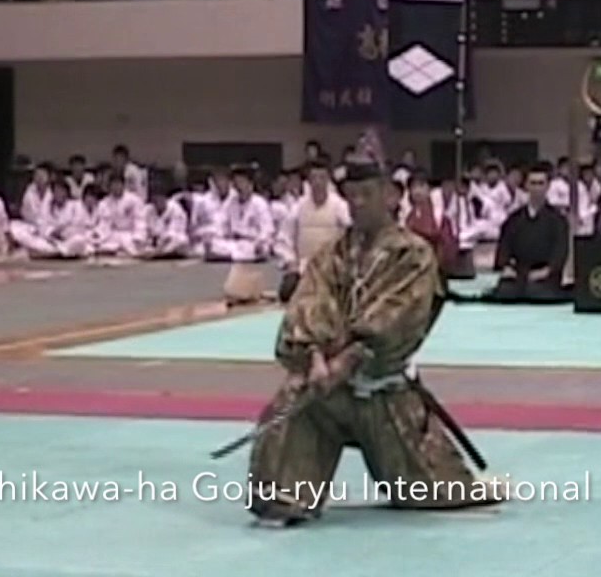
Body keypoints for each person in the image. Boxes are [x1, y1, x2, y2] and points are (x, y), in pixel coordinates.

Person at [245, 160, 500, 526]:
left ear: (389, 196)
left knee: (431, 494)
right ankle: (286, 495)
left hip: (385, 391)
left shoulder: (412, 254)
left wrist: (348, 360)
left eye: (367, 194)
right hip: (328, 386)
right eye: (351, 196)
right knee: (295, 398)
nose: (358, 203)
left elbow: (396, 316)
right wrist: (315, 357)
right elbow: (309, 304)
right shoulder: (332, 255)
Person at [484, 162, 571, 303]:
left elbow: (560, 252)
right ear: (526, 186)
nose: (537, 188)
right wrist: (506, 267)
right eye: (533, 183)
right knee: (505, 291)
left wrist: (546, 271)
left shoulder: (558, 220)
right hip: (518, 274)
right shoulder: (514, 219)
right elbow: (504, 249)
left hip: (545, 277)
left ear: (548, 186)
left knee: (537, 292)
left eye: (540, 183)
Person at [274, 159, 350, 301]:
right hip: (304, 265)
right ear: (308, 181)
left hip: (331, 265)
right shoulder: (299, 206)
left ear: (328, 180)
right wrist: (291, 261)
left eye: (322, 178)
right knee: (286, 293)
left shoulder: (340, 205)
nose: (318, 182)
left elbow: (351, 234)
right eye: (314, 178)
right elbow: (283, 238)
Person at [208, 167, 275, 262]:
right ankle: (236, 256)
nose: (239, 187)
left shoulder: (260, 203)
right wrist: (215, 236)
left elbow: (267, 230)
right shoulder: (230, 202)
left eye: (242, 182)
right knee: (215, 245)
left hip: (252, 242)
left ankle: (240, 255)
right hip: (234, 243)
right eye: (236, 183)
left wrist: (259, 242)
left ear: (250, 184)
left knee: (262, 248)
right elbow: (220, 224)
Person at [13, 180, 91, 259]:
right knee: (18, 228)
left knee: (79, 240)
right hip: (51, 242)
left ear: (67, 192)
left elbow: (79, 225)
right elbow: (42, 225)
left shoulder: (76, 205)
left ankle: (57, 252)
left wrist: (62, 232)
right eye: (56, 192)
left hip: (69, 240)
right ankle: (57, 252)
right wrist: (52, 232)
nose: (59, 194)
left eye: (61, 191)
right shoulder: (47, 206)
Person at [403, 171, 459, 274]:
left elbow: (445, 241)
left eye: (421, 186)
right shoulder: (408, 214)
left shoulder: (438, 214)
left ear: (429, 189)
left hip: (433, 264)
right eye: (413, 187)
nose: (417, 191)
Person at [96, 174, 148, 257]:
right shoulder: (104, 203)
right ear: (109, 187)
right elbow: (104, 223)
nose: (116, 187)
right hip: (112, 234)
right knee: (104, 248)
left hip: (129, 233)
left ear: (123, 185)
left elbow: (139, 220)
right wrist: (100, 235)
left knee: (134, 250)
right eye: (113, 185)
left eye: (118, 184)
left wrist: (138, 237)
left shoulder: (134, 200)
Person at [143, 187, 191, 259]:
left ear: (165, 199)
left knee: (181, 242)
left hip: (172, 239)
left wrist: (157, 251)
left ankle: (160, 254)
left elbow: (172, 232)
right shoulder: (148, 209)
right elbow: (144, 227)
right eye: (154, 200)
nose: (157, 203)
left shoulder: (175, 208)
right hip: (155, 241)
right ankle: (160, 254)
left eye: (159, 199)